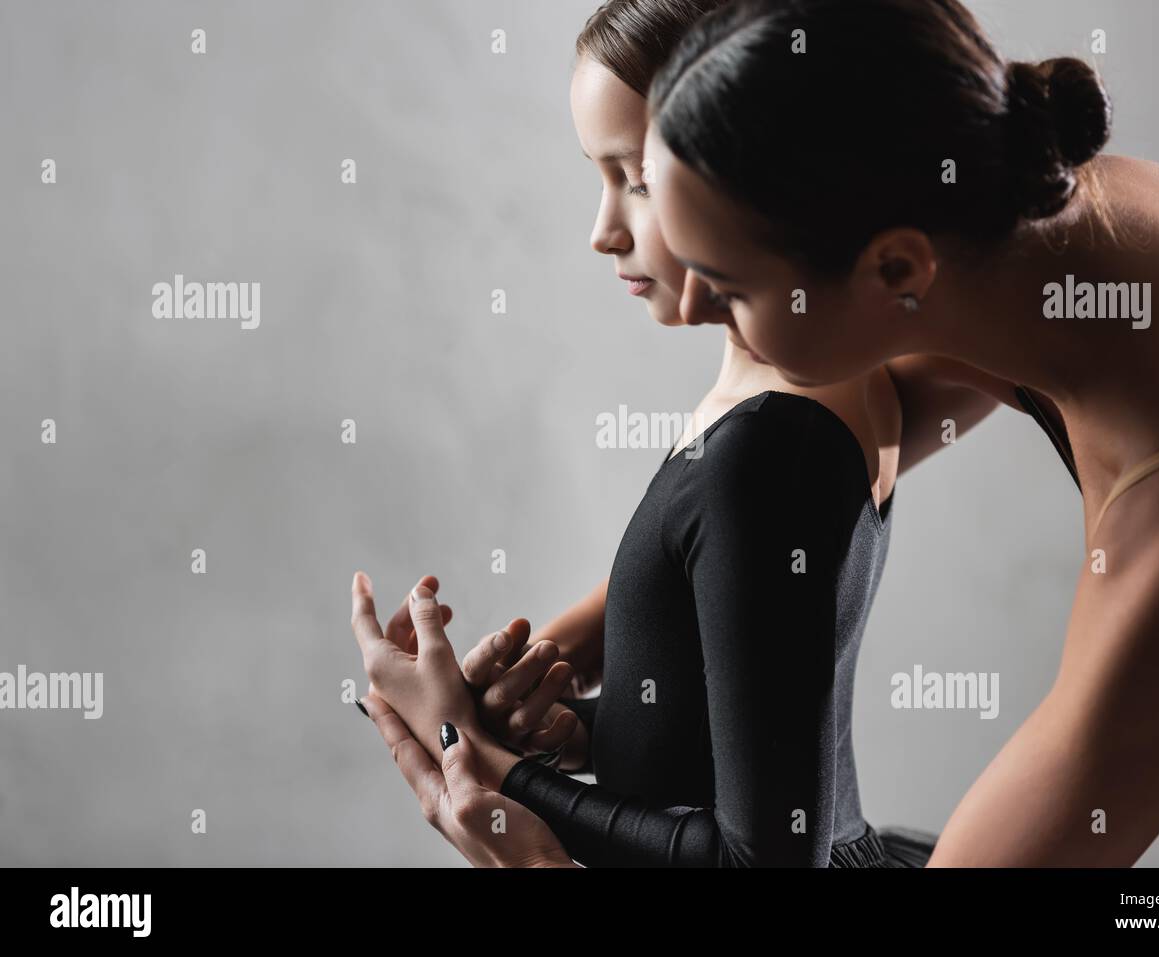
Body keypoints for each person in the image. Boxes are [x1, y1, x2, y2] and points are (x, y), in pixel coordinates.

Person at [635, 0, 1159, 865]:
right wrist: (580, 645)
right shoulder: (1044, 234)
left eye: (726, 284)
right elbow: (849, 445)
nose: (688, 309)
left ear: (897, 267)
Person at [351, 0, 988, 867]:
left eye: (637, 179)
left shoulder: (773, 438)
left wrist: (480, 760)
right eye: (600, 174)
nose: (603, 230)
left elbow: (761, 859)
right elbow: (718, 720)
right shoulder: (808, 382)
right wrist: (567, 723)